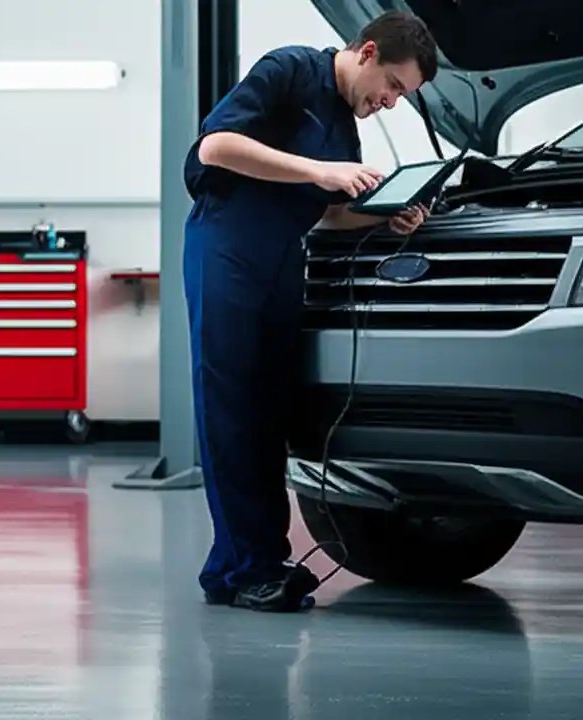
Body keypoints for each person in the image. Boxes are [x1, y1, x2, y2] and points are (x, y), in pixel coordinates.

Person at [182, 11, 439, 612]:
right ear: (368, 52)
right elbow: (215, 146)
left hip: (281, 260)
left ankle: (250, 564)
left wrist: (384, 216)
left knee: (270, 412)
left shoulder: (345, 130)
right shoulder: (291, 69)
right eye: (395, 86)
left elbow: (325, 212)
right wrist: (320, 170)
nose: (392, 102)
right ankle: (245, 566)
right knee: (230, 407)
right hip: (227, 246)